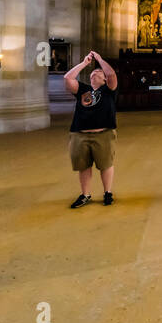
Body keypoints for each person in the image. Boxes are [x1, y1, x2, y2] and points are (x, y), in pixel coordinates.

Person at [64, 50, 118, 208]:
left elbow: (112, 75)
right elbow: (68, 78)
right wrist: (84, 63)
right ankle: (85, 194)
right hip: (79, 134)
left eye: (99, 72)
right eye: (93, 72)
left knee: (105, 164)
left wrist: (100, 60)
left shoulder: (108, 90)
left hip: (103, 134)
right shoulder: (82, 89)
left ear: (104, 79)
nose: (96, 72)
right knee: (83, 166)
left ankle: (107, 192)